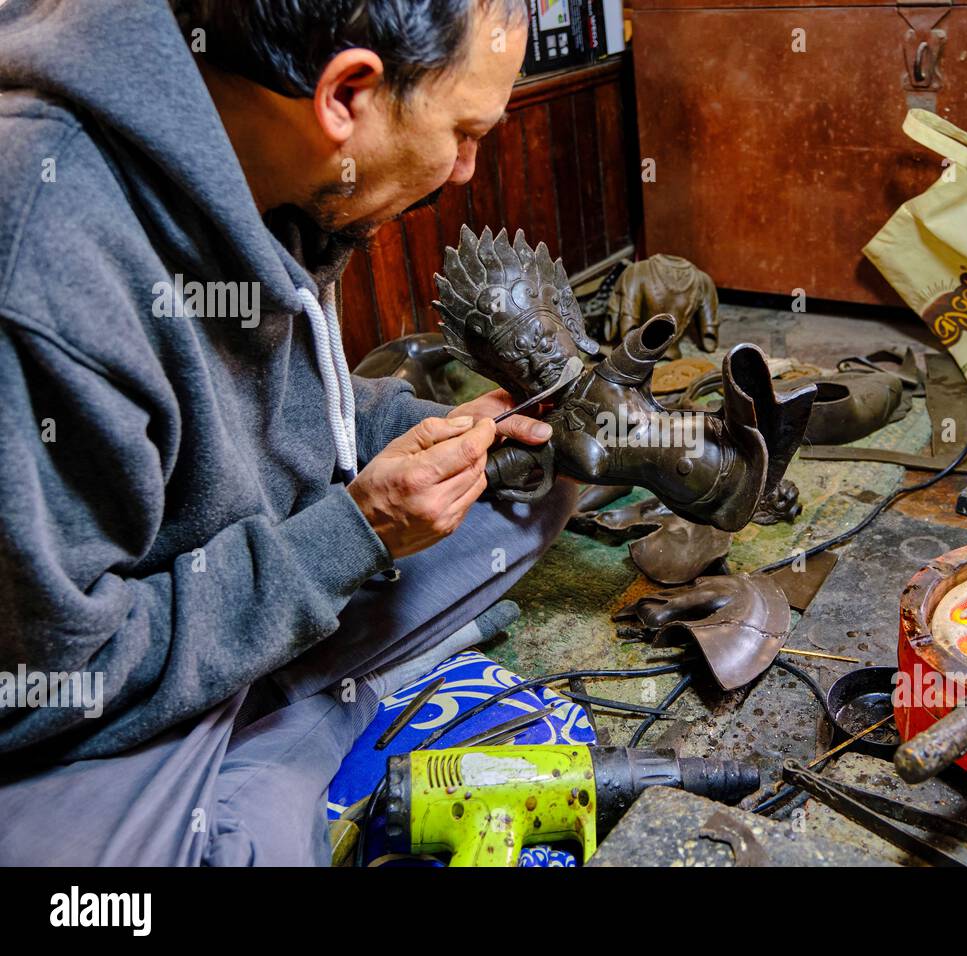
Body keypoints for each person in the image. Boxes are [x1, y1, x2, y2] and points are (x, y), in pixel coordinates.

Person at [0, 0, 573, 865]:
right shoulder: (44, 258)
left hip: (225, 595)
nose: (464, 169)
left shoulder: (270, 149)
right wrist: (354, 536)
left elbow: (296, 421)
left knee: (536, 486)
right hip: (70, 703)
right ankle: (281, 750)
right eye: (464, 131)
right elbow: (41, 693)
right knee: (214, 854)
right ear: (348, 93)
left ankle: (298, 718)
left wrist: (448, 434)